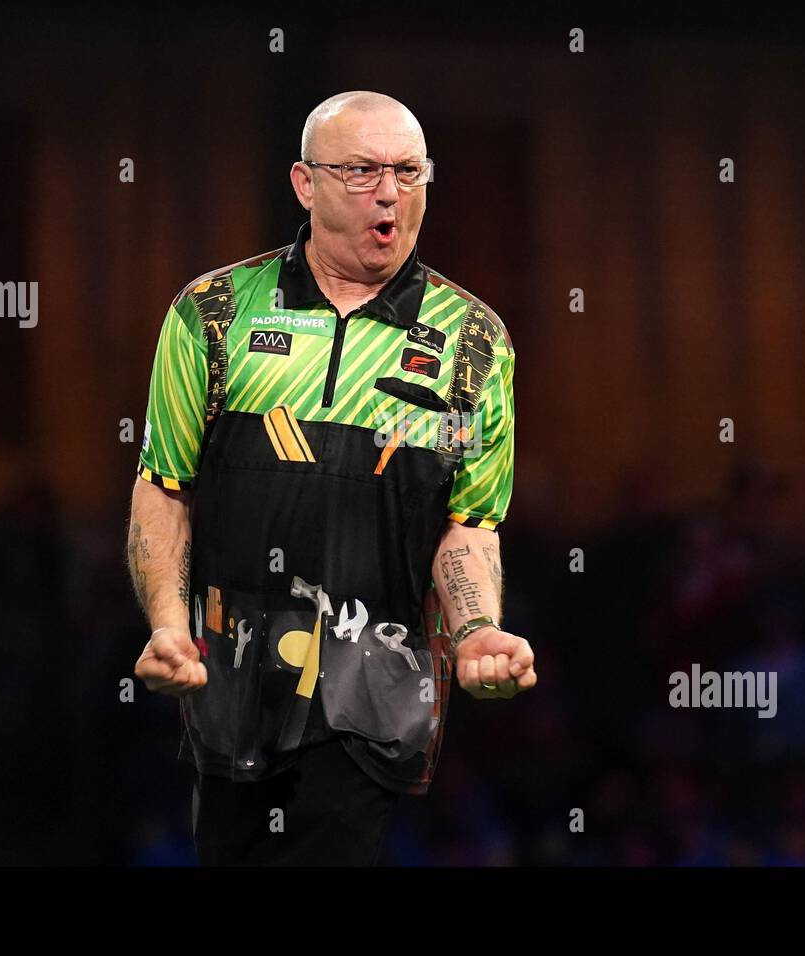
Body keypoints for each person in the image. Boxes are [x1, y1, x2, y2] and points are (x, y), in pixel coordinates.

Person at [126, 90, 537, 866]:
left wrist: (478, 628)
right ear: (305, 184)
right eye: (361, 170)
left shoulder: (473, 341)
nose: (389, 191)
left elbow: (470, 523)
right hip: (231, 681)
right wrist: (167, 625)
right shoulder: (213, 314)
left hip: (374, 680)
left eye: (408, 171)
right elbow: (164, 484)